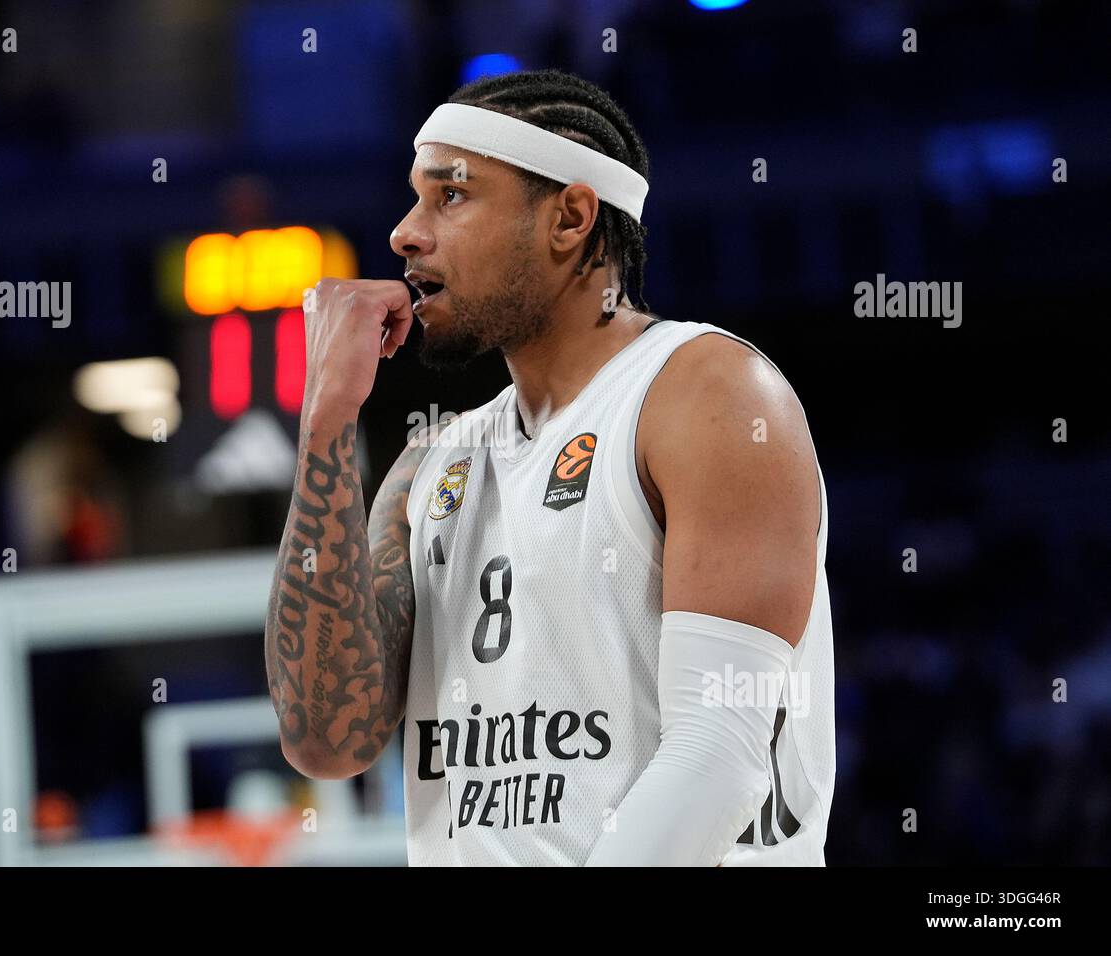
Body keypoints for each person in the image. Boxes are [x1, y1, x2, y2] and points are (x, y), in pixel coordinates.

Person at [265, 68, 834, 866]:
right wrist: (326, 423)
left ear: (569, 217)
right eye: (414, 197)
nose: (403, 233)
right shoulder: (430, 467)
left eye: (450, 197)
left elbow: (720, 754)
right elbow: (325, 738)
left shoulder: (708, 393)